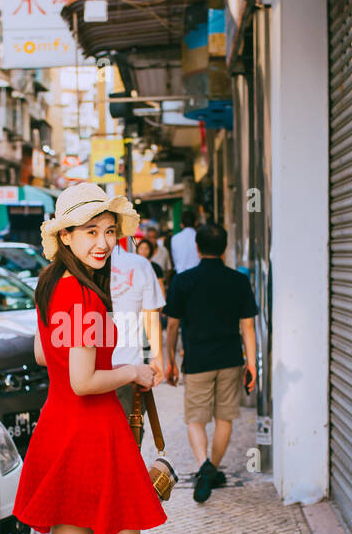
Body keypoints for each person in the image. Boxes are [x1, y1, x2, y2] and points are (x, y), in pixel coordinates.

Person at [13, 181, 165, 534]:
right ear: (66, 234)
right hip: (92, 431)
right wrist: (133, 369)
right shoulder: (82, 292)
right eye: (90, 231)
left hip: (58, 429)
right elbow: (82, 379)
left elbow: (41, 352)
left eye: (108, 231)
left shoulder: (51, 282)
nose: (102, 242)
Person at [163, 222, 258, 504]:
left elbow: (172, 326)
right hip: (230, 358)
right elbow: (248, 327)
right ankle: (212, 468)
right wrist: (251, 363)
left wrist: (170, 358)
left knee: (195, 418)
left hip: (197, 359)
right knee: (224, 417)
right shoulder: (239, 280)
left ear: (197, 247)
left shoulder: (183, 280)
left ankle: (203, 464)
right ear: (225, 247)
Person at [110, 236, 165, 442]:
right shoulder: (139, 264)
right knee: (129, 443)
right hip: (128, 369)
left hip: (92, 371)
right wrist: (157, 359)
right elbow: (151, 315)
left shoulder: (75, 267)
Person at [169, 209, 199, 275]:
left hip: (180, 275)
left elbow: (175, 260)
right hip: (198, 276)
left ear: (181, 225)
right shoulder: (200, 237)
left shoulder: (175, 238)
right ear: (196, 223)